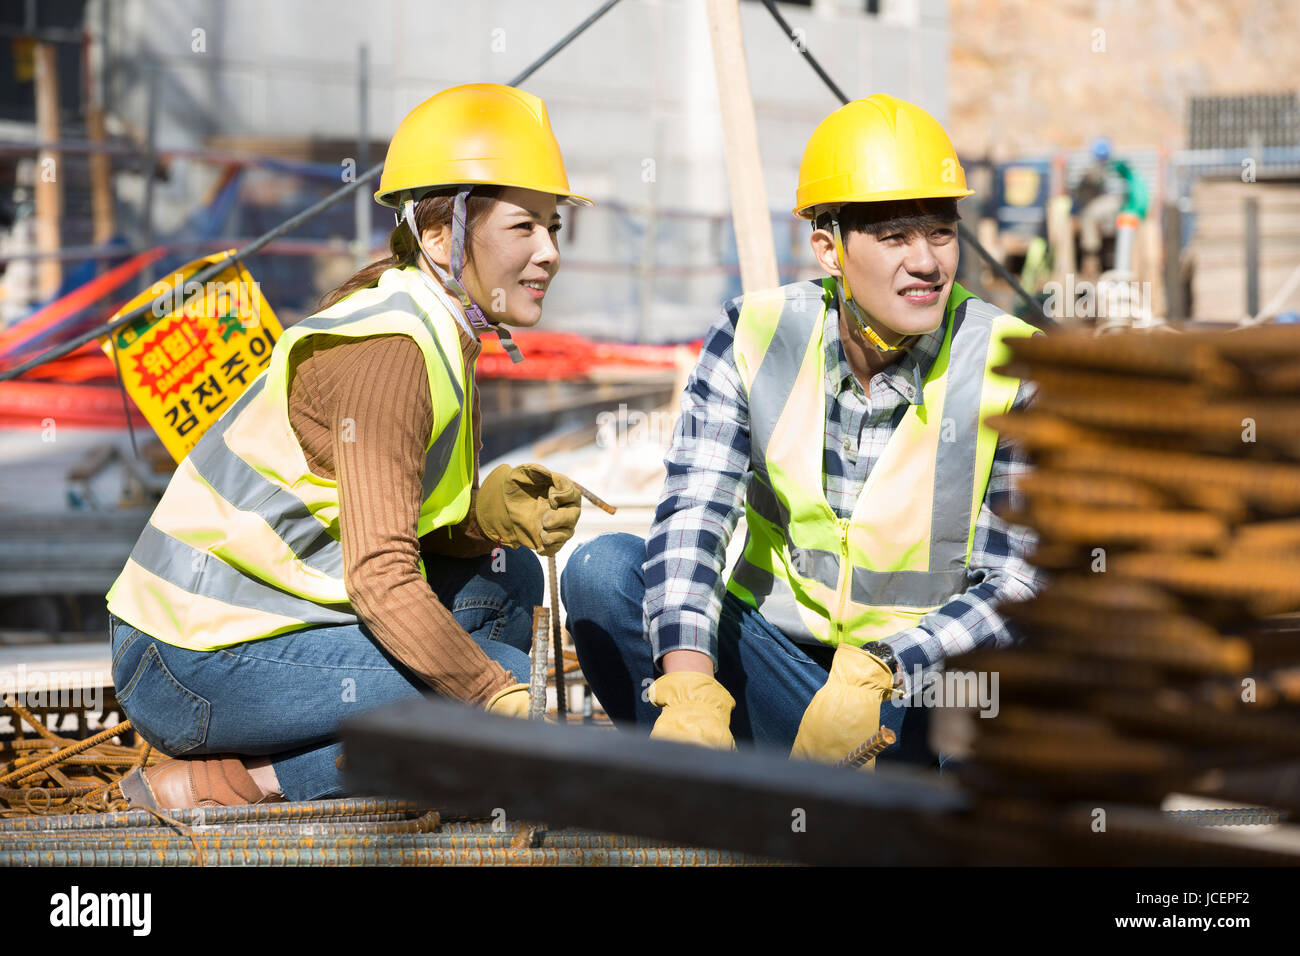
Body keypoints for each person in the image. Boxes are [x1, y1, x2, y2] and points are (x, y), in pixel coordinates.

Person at [105, 83, 591, 809]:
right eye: (523, 227)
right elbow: (381, 577)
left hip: (259, 628)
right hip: (185, 661)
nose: (548, 252)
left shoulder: (435, 321)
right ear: (439, 234)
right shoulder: (392, 350)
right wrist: (495, 695)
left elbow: (384, 520)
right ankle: (245, 781)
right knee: (485, 689)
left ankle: (316, 744)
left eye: (553, 227)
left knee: (507, 583)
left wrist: (483, 520)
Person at [562, 94, 1045, 769]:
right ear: (829, 248)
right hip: (777, 670)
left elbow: (1022, 580)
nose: (929, 261)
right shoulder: (756, 336)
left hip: (911, 702)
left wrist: (884, 668)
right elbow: (694, 520)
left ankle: (855, 816)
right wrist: (690, 686)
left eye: (940, 231)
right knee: (603, 572)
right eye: (894, 236)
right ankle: (714, 785)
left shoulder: (1009, 361)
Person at [1075, 137, 1148, 280]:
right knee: (1090, 215)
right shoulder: (1101, 168)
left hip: (1114, 205)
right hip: (1110, 206)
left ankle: (1091, 258)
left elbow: (1114, 193)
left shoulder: (1114, 168)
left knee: (1089, 215)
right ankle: (1092, 258)